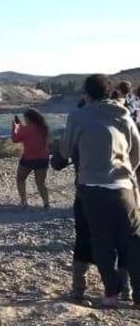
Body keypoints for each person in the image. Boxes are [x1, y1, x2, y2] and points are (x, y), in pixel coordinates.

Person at [60, 74, 140, 308]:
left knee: (101, 240)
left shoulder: (78, 116)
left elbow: (65, 150)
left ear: (87, 94)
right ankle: (137, 296)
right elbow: (137, 150)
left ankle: (111, 294)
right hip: (123, 186)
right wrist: (128, 171)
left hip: (91, 187)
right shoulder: (123, 114)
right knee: (133, 240)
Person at [12, 109, 52, 209]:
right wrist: (21, 127)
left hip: (29, 158)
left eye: (25, 118)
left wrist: (14, 128)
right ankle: (46, 203)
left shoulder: (26, 129)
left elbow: (15, 139)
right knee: (40, 183)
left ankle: (24, 201)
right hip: (43, 158)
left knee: (20, 179)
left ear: (29, 118)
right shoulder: (44, 128)